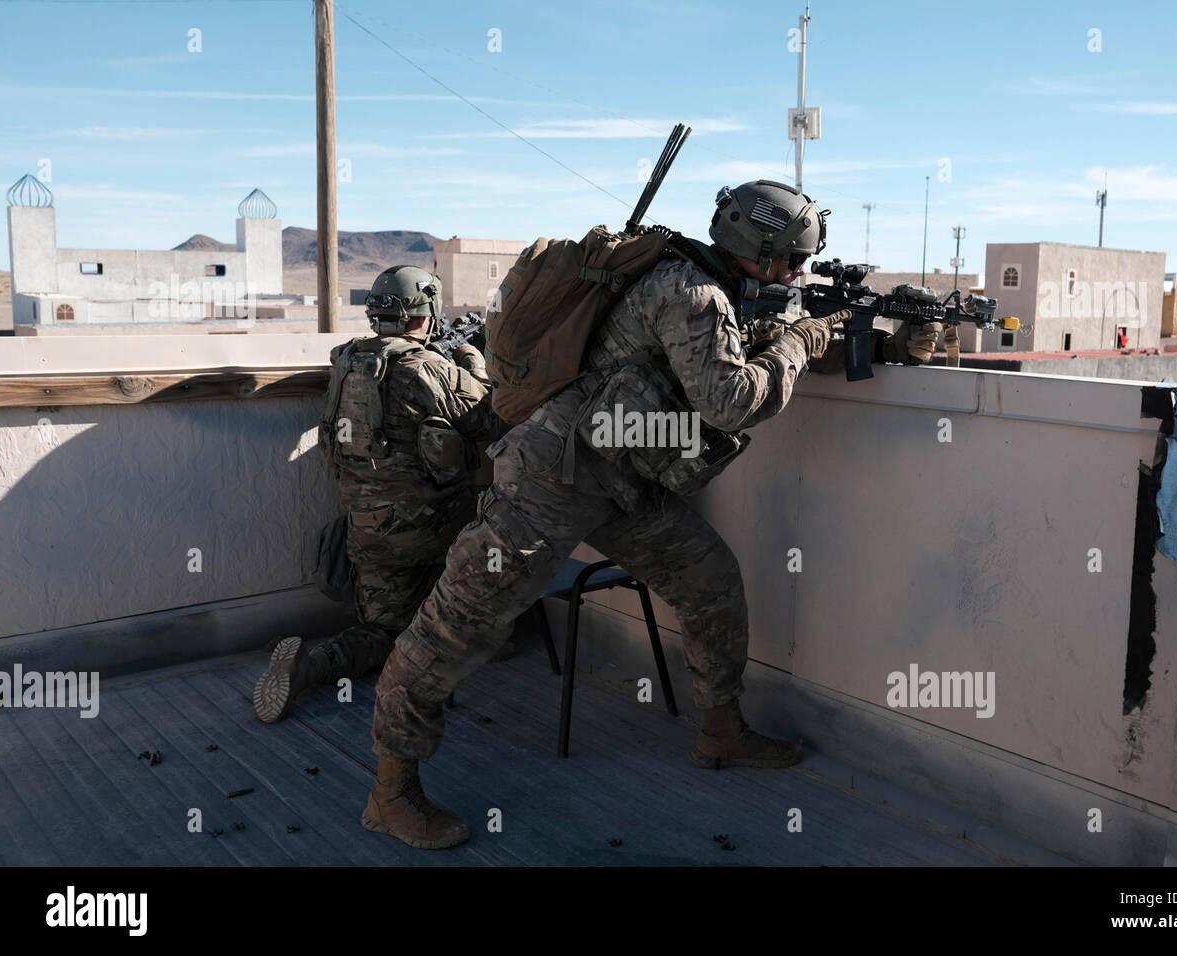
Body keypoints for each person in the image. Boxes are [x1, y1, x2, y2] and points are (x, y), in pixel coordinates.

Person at [362, 181, 942, 850]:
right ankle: (391, 791)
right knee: (456, 623)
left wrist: (890, 344)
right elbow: (730, 398)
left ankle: (720, 728)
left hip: (616, 479)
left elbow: (753, 343)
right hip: (550, 480)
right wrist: (798, 345)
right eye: (792, 260)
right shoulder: (692, 293)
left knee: (709, 579)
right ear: (760, 253)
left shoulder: (709, 287)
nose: (800, 274)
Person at [252, 265, 506, 724]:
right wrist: (472, 360)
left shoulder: (347, 361)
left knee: (378, 630)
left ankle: (310, 663)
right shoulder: (423, 367)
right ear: (426, 312)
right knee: (492, 556)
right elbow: (491, 420)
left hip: (365, 530)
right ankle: (460, 645)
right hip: (431, 529)